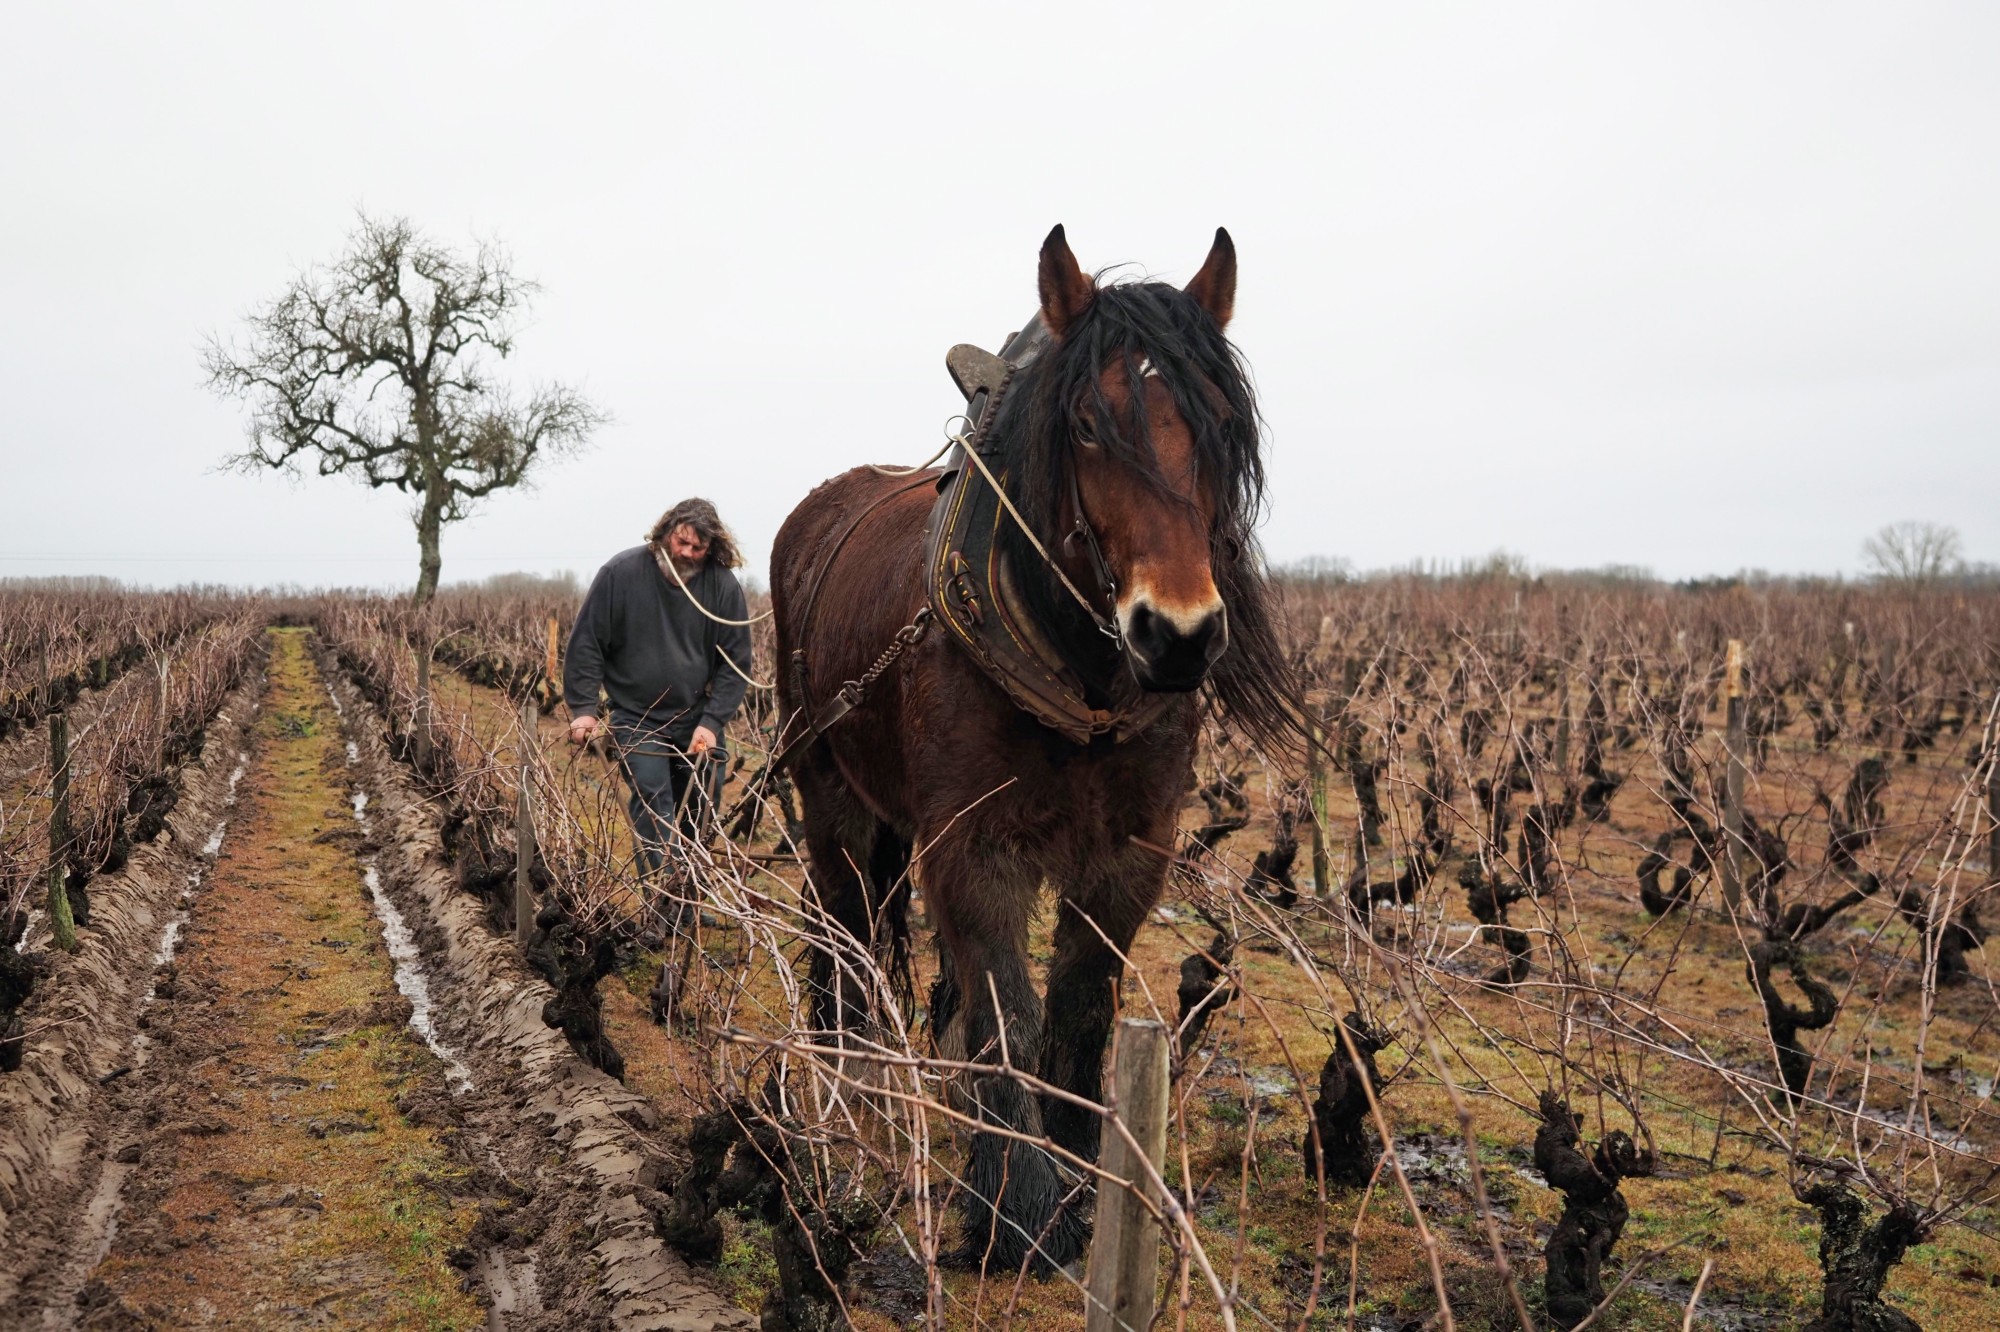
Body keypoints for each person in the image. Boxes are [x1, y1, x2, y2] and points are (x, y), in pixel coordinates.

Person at [564, 499, 754, 896]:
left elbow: (735, 663)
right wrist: (583, 710)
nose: (685, 552)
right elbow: (587, 644)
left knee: (700, 809)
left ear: (711, 550)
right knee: (654, 800)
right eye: (680, 541)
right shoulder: (620, 573)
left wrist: (712, 722)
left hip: (696, 716)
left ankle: (688, 895)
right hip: (637, 715)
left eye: (696, 548)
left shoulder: (722, 587)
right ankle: (662, 897)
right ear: (665, 533)